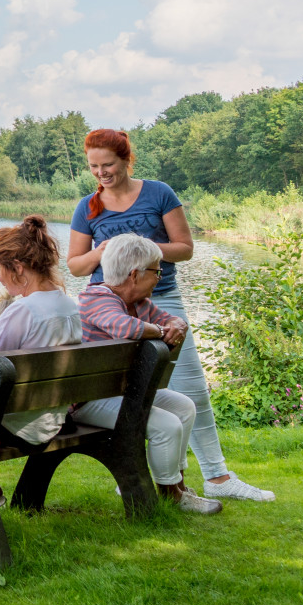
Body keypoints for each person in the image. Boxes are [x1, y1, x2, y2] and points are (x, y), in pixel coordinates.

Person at [68, 128, 273, 501]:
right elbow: (76, 266)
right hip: (110, 306)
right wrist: (105, 251)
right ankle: (137, 477)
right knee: (128, 388)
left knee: (190, 389)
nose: (100, 173)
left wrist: (141, 250)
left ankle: (217, 477)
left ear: (126, 160)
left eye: (107, 164)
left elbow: (185, 248)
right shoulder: (88, 206)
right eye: (94, 166)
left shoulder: (159, 193)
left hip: (160, 298)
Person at [73, 234, 222, 514]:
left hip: (122, 392)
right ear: (134, 274)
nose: (159, 278)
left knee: (184, 407)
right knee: (166, 425)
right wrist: (164, 331)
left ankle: (178, 486)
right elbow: (124, 327)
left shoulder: (140, 302)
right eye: (156, 272)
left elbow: (172, 320)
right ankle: (170, 495)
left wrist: (176, 324)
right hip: (88, 401)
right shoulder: (96, 298)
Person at [0, 215, 81, 445]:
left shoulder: (23, 310)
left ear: (18, 267)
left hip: (16, 425)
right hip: (51, 421)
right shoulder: (70, 306)